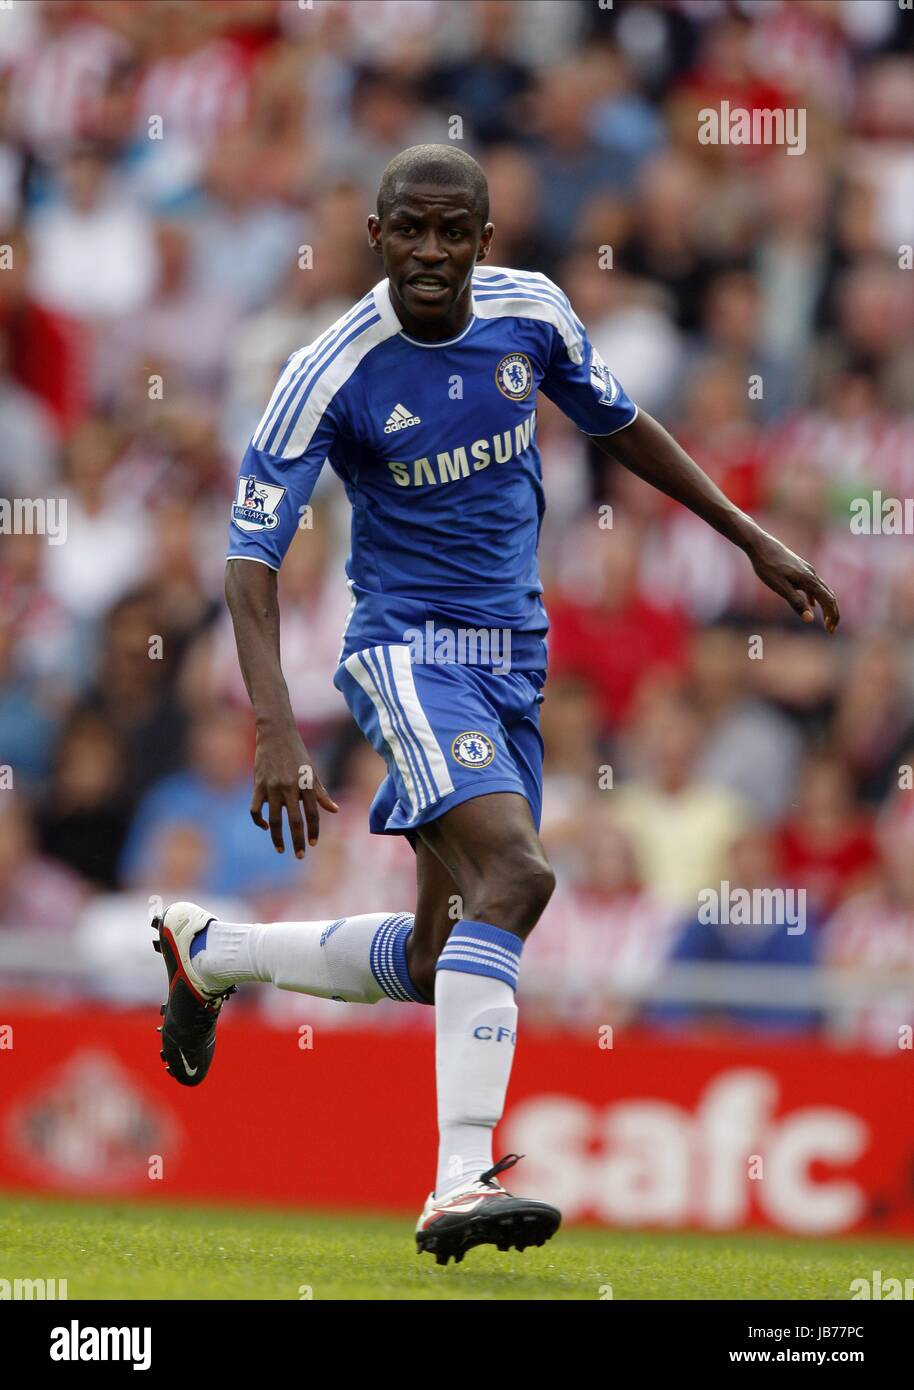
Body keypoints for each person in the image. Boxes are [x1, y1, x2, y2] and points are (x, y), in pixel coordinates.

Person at [151, 145, 839, 1266]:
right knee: (517, 875)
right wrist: (273, 724)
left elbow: (620, 425)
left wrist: (749, 534)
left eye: (451, 231)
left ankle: (208, 951)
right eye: (408, 230)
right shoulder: (328, 368)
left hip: (513, 658)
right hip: (406, 654)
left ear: (483, 237)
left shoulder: (532, 316)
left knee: (437, 958)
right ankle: (458, 1176)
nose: (430, 251)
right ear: (375, 234)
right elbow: (249, 560)